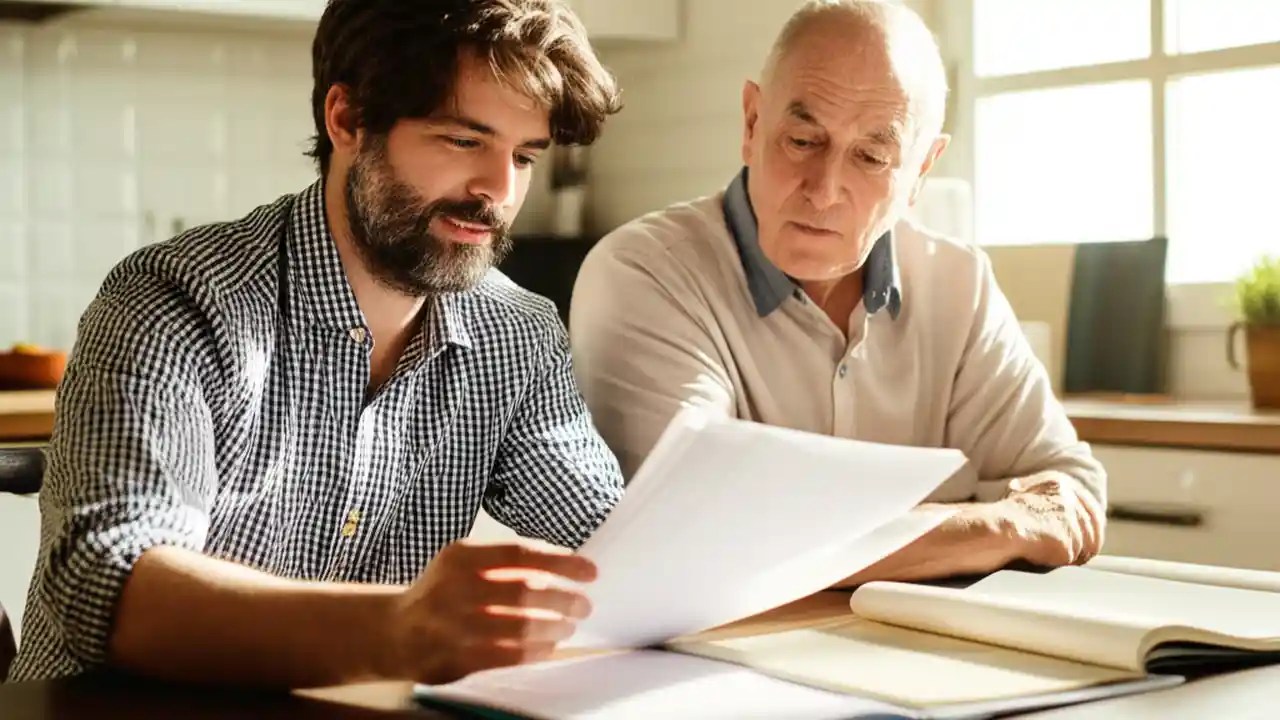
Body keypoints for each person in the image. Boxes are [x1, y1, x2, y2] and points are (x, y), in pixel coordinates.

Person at [9, 0, 625, 687]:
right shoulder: (176, 302)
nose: (499, 191)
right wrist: (398, 627)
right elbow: (109, 583)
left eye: (524, 156)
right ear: (348, 120)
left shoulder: (520, 336)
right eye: (463, 141)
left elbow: (616, 547)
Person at [570, 0, 1104, 587]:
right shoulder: (646, 274)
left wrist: (995, 525)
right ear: (752, 124)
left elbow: (1066, 491)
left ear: (923, 169)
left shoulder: (960, 286)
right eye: (802, 140)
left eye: (872, 156)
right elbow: (706, 535)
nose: (824, 191)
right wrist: (995, 527)